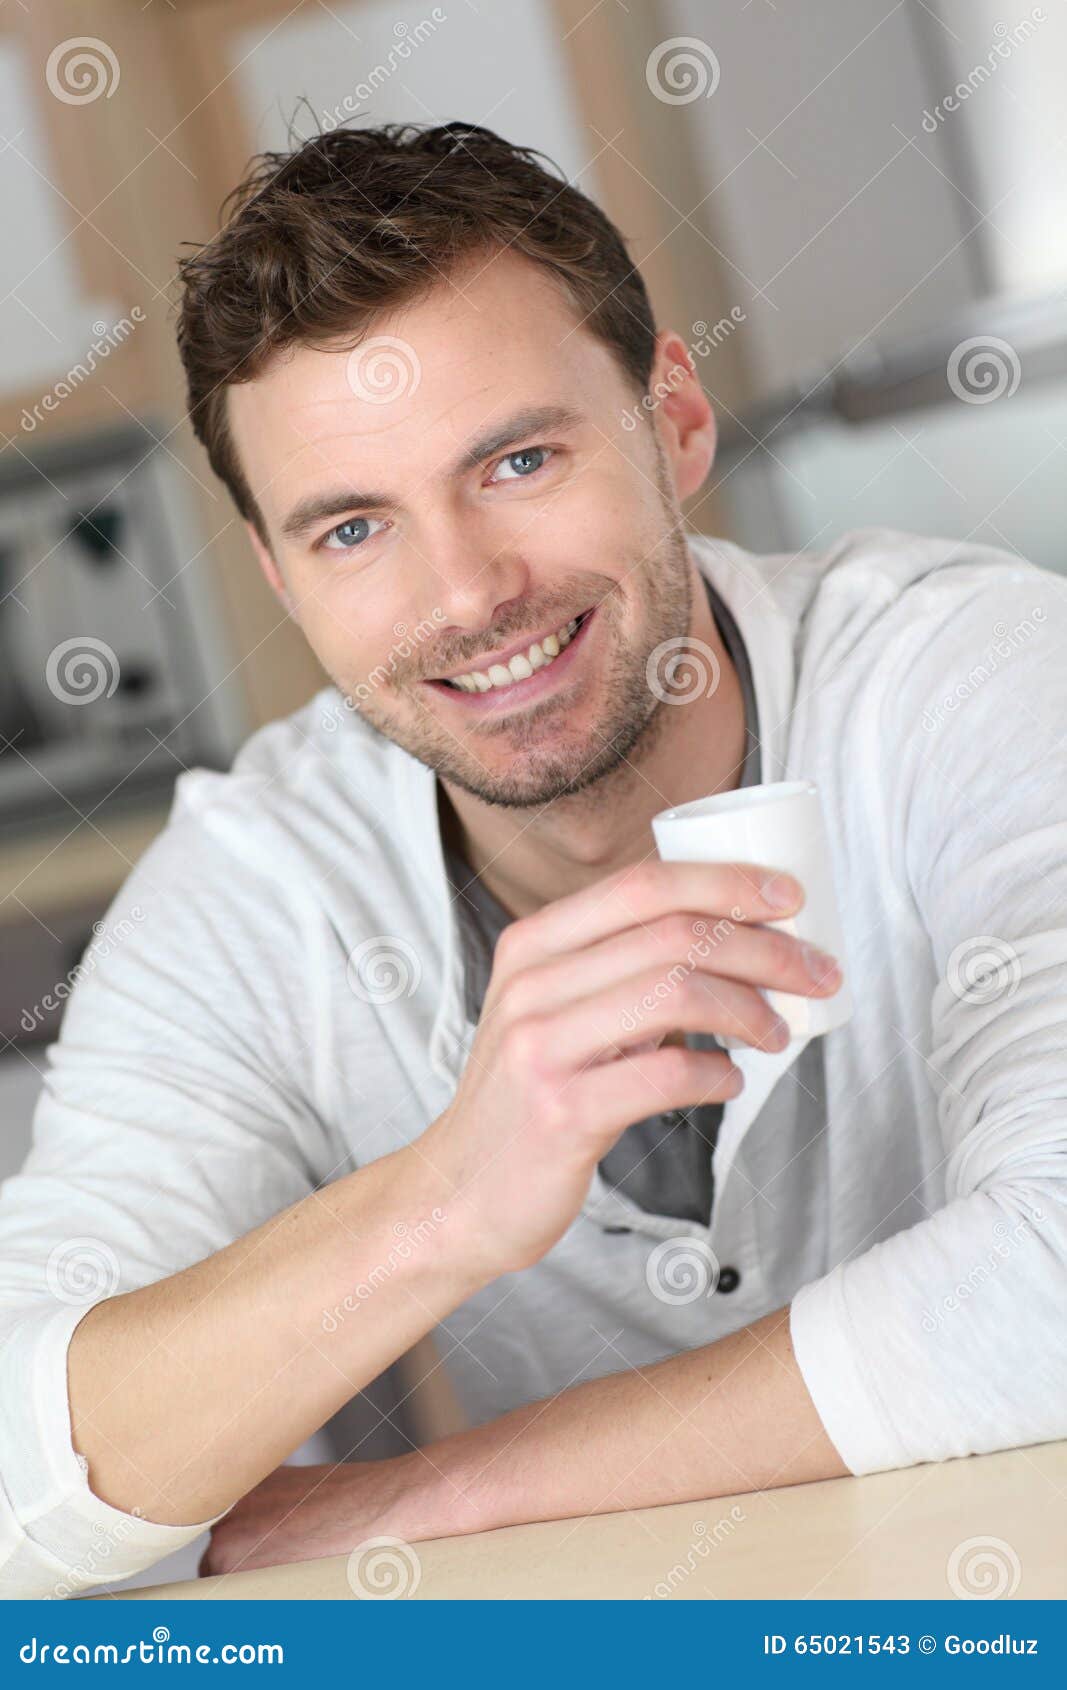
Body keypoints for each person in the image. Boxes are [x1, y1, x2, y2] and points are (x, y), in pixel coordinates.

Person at [1, 121, 1063, 1598]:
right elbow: (15, 1463)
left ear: (674, 421)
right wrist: (439, 1203)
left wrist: (459, 1485)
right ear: (277, 572)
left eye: (517, 459)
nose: (468, 592)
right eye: (354, 525)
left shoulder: (977, 675)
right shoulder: (255, 885)